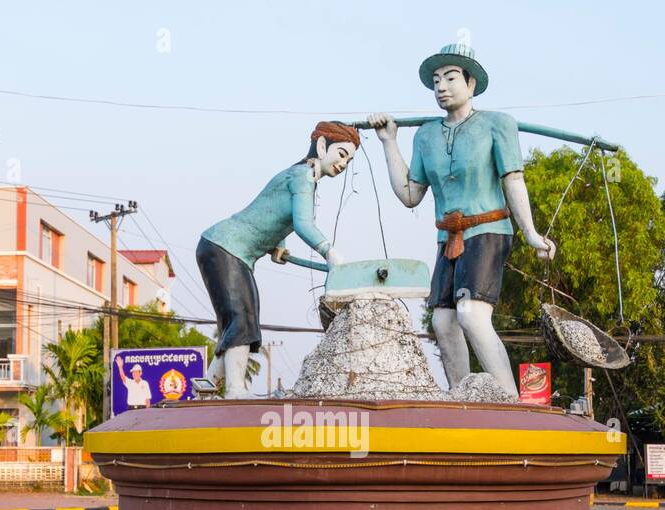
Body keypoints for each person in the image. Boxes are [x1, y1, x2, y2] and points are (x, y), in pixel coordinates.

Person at [367, 44, 556, 397]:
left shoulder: (497, 124)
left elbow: (513, 179)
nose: (442, 86)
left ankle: (509, 397)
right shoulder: (425, 135)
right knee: (443, 320)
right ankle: (462, 393)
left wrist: (530, 232)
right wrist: (388, 142)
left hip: (487, 231)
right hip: (448, 238)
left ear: (471, 84)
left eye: (451, 78)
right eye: (436, 80)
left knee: (471, 313)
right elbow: (410, 195)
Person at [197, 121, 359, 398]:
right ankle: (235, 389)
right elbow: (303, 223)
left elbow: (272, 207)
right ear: (322, 146)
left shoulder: (298, 176)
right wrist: (329, 251)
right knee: (241, 319)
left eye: (349, 160)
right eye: (342, 154)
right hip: (225, 247)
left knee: (239, 320)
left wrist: (278, 245)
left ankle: (208, 386)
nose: (344, 164)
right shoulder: (303, 177)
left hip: (227, 250)